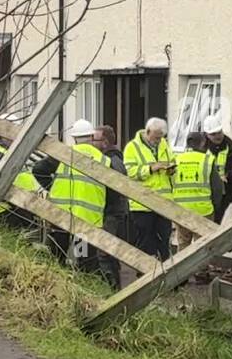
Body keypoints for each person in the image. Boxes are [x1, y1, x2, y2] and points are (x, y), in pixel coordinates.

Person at [33, 119, 106, 270]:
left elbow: (38, 170)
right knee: (83, 258)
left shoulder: (64, 155)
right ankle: (83, 284)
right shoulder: (102, 159)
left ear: (74, 138)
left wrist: (53, 187)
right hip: (86, 218)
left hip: (61, 215)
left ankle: (55, 286)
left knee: (57, 256)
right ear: (92, 137)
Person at [124, 116, 176, 261]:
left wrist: (171, 169)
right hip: (142, 203)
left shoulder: (164, 144)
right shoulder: (132, 147)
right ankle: (145, 272)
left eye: (161, 138)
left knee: (164, 240)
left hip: (163, 202)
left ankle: (165, 273)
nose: (159, 141)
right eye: (156, 137)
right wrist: (151, 169)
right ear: (147, 132)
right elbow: (129, 172)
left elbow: (171, 160)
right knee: (146, 241)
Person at [171, 131, 222, 253]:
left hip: (181, 210)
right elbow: (217, 188)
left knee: (183, 244)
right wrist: (215, 206)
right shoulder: (207, 160)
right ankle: (200, 271)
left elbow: (170, 183)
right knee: (203, 245)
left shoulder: (177, 159)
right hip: (203, 210)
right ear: (203, 143)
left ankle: (183, 271)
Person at [93, 124, 129, 290]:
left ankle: (111, 290)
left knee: (105, 254)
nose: (92, 143)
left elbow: (114, 191)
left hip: (111, 214)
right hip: (116, 214)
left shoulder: (110, 162)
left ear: (105, 142)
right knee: (110, 255)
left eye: (95, 139)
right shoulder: (117, 160)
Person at [0, 136, 39, 230]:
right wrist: (20, 203)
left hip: (19, 207)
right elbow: (1, 184)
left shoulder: (6, 150)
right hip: (7, 211)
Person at [202, 115, 232, 224]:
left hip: (225, 194)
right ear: (206, 134)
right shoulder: (202, 147)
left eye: (219, 132)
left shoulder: (231, 148)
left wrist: (227, 176)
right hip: (205, 192)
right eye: (213, 134)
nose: (217, 136)